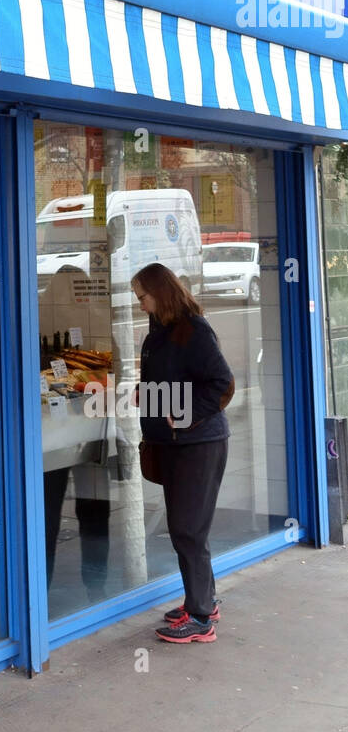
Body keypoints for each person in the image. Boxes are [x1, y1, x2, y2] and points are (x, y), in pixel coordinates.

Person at [133, 262, 234, 645]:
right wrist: (150, 394)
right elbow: (171, 379)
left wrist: (184, 414)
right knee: (188, 529)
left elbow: (222, 383)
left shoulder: (193, 330)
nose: (140, 304)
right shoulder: (162, 329)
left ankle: (200, 619)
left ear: (161, 292)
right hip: (177, 445)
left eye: (142, 297)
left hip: (199, 445)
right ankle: (202, 600)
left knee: (188, 530)